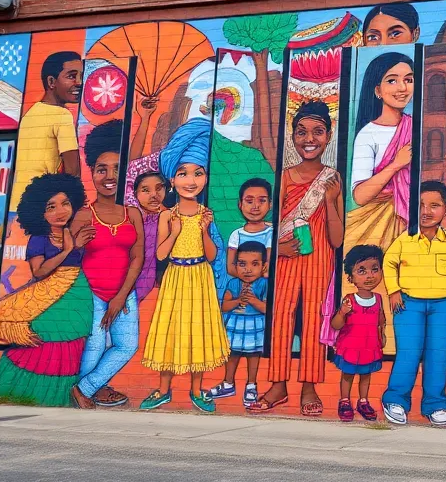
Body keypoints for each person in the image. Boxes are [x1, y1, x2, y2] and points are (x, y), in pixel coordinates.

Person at [250, 101, 344, 416]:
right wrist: (277, 250)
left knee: (315, 322)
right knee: (280, 318)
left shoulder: (332, 179)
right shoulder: (285, 178)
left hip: (320, 261)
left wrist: (330, 202)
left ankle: (309, 387)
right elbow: (266, 226)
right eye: (301, 131)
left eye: (318, 131)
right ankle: (277, 384)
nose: (309, 138)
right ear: (292, 136)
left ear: (329, 136)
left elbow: (338, 239)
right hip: (287, 260)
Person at [140, 118, 229, 412]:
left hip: (200, 277)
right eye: (183, 173)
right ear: (172, 181)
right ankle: (163, 389)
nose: (191, 180)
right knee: (172, 331)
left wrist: (203, 230)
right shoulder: (168, 216)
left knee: (198, 332)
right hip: (176, 277)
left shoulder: (207, 213)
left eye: (198, 173)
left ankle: (196, 389)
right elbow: (162, 255)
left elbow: (213, 255)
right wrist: (176, 231)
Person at [0, 173, 93, 407]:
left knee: (72, 347)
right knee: (43, 342)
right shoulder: (38, 238)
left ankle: (60, 397)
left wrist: (75, 245)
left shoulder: (69, 233)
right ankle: (24, 395)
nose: (60, 211)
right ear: (40, 213)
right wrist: (68, 251)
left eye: (65, 203)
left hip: (78, 297)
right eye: (51, 207)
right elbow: (39, 272)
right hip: (49, 300)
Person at [381, 180, 446, 427]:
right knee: (408, 353)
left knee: (438, 355)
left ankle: (436, 405)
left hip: (443, 306)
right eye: (420, 205)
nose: (426, 211)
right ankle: (396, 400)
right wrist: (394, 291)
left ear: (445, 209)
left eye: (434, 205)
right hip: (409, 305)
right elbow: (389, 264)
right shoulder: (405, 240)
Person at [72, 120, 145, 409]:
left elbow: (137, 256)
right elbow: (69, 259)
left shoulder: (132, 214)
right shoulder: (81, 215)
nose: (109, 175)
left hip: (124, 295)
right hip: (91, 294)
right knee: (94, 346)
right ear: (92, 173)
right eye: (102, 169)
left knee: (127, 345)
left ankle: (84, 388)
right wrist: (76, 245)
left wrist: (121, 295)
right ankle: (91, 390)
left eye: (117, 168)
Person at [344, 51, 414, 263]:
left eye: (408, 80)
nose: (402, 88)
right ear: (377, 90)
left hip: (413, 220)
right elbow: (360, 196)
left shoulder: (416, 126)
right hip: (375, 225)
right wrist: (396, 165)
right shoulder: (368, 134)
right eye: (392, 81)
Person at [10, 51, 82, 213]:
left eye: (81, 76)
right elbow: (73, 172)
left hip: (17, 202)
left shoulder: (30, 114)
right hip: (42, 205)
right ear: (51, 81)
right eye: (71, 76)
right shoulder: (61, 115)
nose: (79, 82)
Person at [208, 241, 269, 407]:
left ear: (264, 267)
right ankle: (228, 383)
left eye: (254, 264)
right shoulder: (233, 283)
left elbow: (267, 308)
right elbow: (224, 305)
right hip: (235, 325)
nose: (248, 269)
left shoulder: (264, 284)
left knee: (253, 355)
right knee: (232, 354)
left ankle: (251, 385)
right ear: (235, 266)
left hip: (255, 326)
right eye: (242, 264)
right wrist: (238, 301)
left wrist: (253, 301)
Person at [331, 245, 387, 423]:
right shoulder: (349, 299)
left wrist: (382, 335)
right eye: (361, 270)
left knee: (366, 375)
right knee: (347, 375)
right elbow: (336, 325)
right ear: (350, 277)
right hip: (351, 346)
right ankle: (345, 401)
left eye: (374, 269)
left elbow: (381, 320)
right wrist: (342, 312)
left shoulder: (378, 299)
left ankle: (363, 401)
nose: (369, 275)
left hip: (369, 346)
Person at [131, 172, 166, 302]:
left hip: (153, 288)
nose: (153, 195)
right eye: (146, 190)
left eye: (159, 188)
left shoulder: (170, 220)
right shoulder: (129, 220)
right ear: (136, 194)